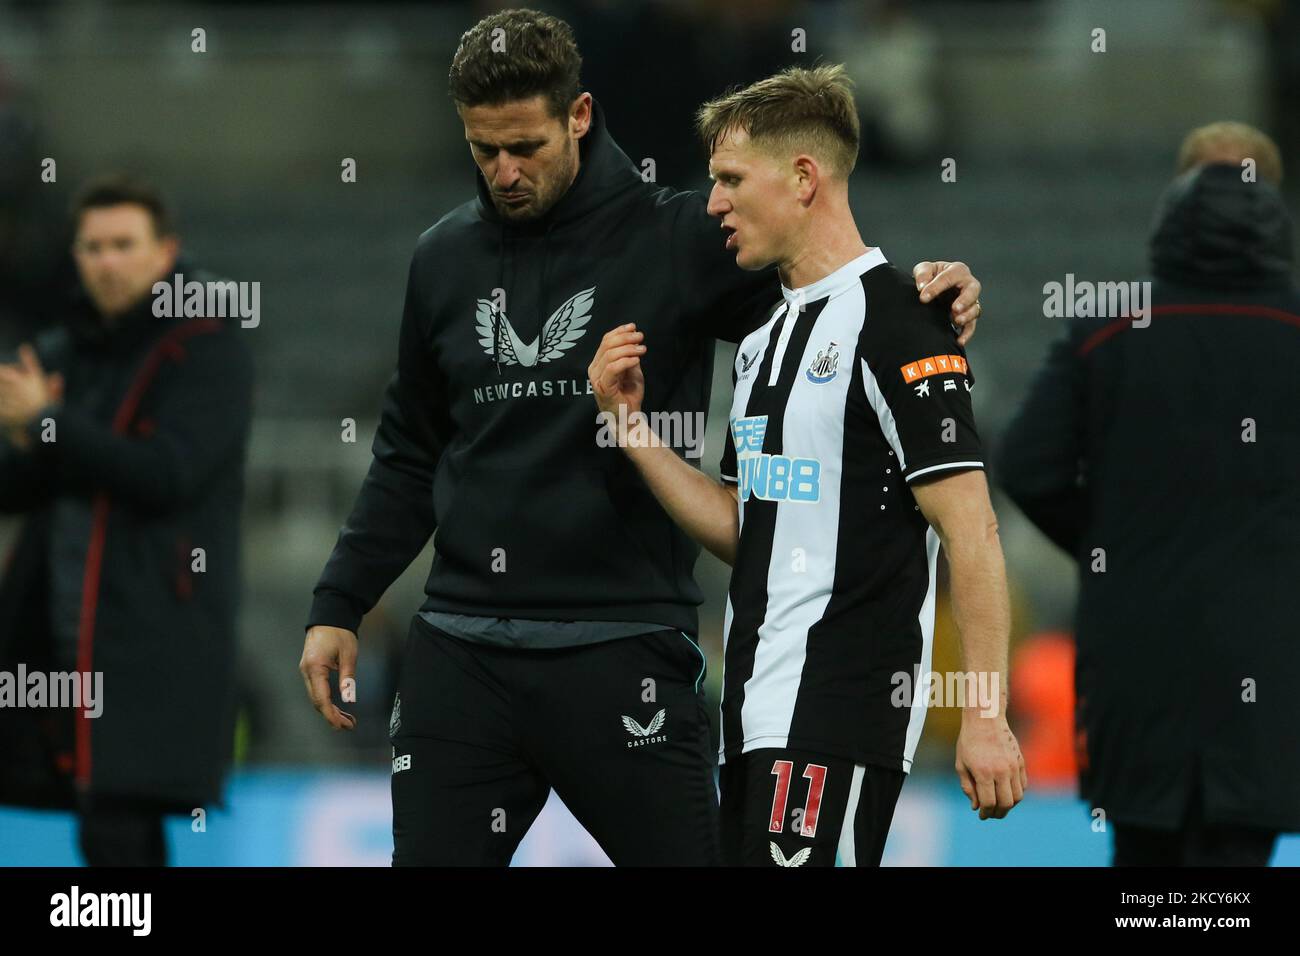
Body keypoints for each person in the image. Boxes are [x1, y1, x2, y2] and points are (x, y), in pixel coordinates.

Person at [299, 8, 984, 867]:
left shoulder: (686, 236)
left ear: (579, 115)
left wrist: (923, 294)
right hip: (464, 651)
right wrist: (339, 601)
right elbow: (407, 450)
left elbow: (833, 297)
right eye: (484, 150)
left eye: (527, 147)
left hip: (624, 650)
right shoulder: (442, 259)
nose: (505, 172)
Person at [589, 64, 1025, 867]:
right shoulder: (758, 343)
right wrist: (631, 428)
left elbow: (974, 530)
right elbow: (747, 523)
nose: (713, 202)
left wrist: (986, 716)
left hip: (841, 711)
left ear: (802, 178)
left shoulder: (902, 321)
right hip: (753, 715)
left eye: (729, 179)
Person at [996, 122, 1300, 866]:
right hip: (1269, 658)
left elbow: (1025, 463)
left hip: (1136, 663)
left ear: (1174, 200)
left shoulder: (1108, 327)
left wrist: (1113, 546)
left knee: (1145, 876)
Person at [0, 174, 254, 865]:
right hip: (61, 631)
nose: (106, 262)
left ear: (164, 251)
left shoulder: (207, 342)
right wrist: (28, 436)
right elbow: (18, 488)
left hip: (152, 634)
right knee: (103, 825)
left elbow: (168, 472)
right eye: (92, 246)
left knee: (120, 824)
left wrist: (47, 424)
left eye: (123, 244)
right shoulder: (65, 349)